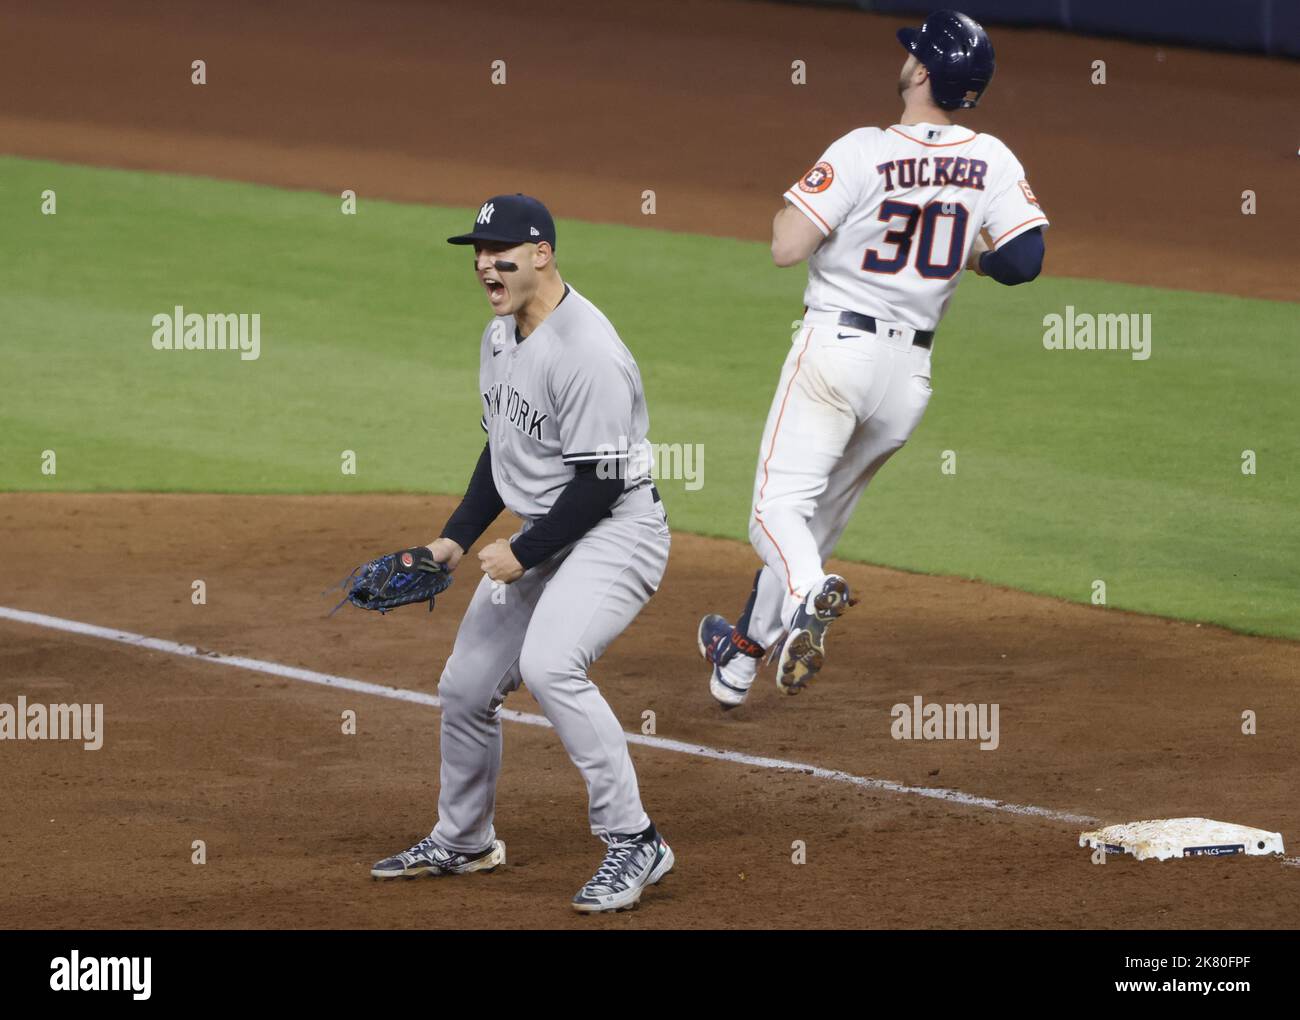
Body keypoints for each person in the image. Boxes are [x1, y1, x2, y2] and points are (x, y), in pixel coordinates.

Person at [699, 10, 1048, 708]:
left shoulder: (864, 148)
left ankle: (807, 592)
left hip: (836, 353)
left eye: (913, 53)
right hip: (906, 382)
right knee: (816, 520)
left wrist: (801, 215)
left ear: (921, 72)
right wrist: (959, 253)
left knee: (774, 513)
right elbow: (1023, 260)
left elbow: (786, 246)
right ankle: (739, 660)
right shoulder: (994, 159)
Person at [372, 194, 674, 913]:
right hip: (549, 532)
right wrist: (455, 538)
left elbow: (600, 483)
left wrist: (523, 551)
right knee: (466, 686)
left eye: (500, 252)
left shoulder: (589, 352)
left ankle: (636, 839)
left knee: (550, 665)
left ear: (543, 254)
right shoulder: (501, 335)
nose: (484, 265)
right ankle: (465, 839)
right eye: (477, 252)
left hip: (615, 532)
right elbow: (502, 447)